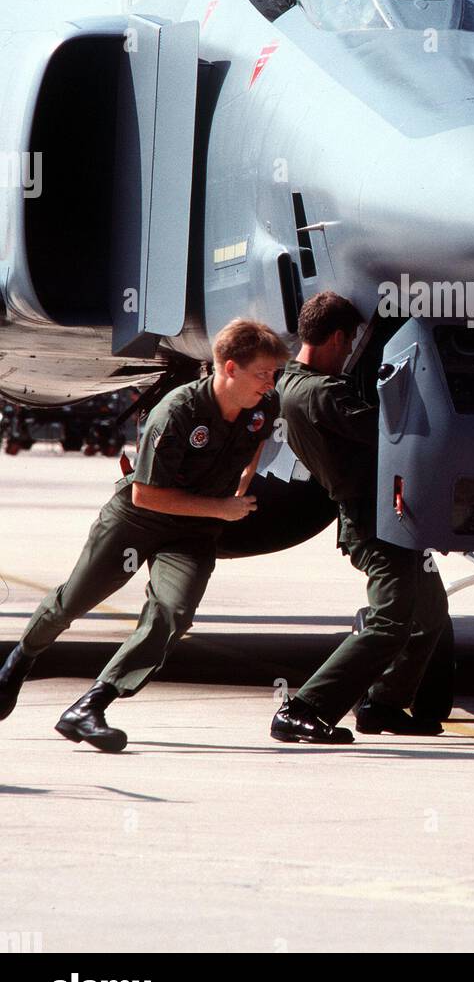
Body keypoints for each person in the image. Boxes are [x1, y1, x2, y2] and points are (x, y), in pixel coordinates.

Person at [0, 319, 286, 751]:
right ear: (229, 368)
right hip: (139, 518)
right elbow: (147, 495)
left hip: (194, 530)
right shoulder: (176, 413)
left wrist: (240, 488)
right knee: (72, 602)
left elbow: (258, 440)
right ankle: (18, 664)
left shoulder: (264, 406)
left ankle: (92, 704)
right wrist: (222, 508)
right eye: (263, 373)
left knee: (173, 613)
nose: (270, 383)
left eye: (274, 375)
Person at [272, 290, 449, 745]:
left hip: (390, 517)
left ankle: (384, 703)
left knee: (429, 613)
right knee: (392, 619)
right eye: (348, 344)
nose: (349, 353)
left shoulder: (288, 383)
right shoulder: (324, 393)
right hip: (375, 521)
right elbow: (392, 434)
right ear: (334, 337)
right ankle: (304, 707)